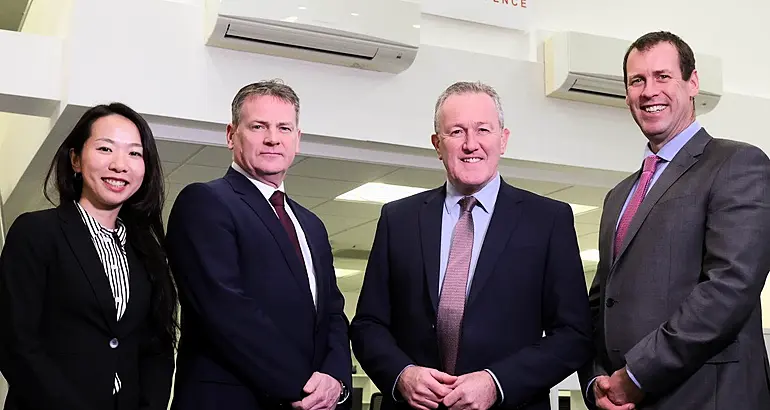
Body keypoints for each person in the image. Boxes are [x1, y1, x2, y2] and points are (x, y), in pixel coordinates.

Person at [350, 81, 593, 410]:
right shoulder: (399, 219)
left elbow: (573, 335)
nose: (470, 144)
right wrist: (402, 375)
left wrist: (497, 383)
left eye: (483, 129)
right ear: (437, 144)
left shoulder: (548, 221)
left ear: (503, 140)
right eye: (456, 132)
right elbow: (368, 325)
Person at [578, 31, 770, 410]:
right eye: (637, 80)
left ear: (692, 82)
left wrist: (637, 375)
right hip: (625, 400)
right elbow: (602, 301)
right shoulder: (619, 196)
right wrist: (596, 378)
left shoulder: (738, 164)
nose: (649, 91)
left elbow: (729, 287)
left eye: (663, 76)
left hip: (708, 397)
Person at [166, 80, 352, 410]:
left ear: (297, 139)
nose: (272, 138)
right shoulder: (205, 201)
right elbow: (224, 310)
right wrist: (303, 385)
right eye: (258, 126)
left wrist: (335, 380)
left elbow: (332, 315)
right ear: (230, 134)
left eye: (284, 127)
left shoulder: (311, 225)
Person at [0, 103, 179, 410]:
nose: (120, 164)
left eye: (135, 153)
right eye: (106, 149)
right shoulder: (37, 232)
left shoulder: (148, 252)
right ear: (75, 160)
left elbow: (157, 348)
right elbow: (14, 342)